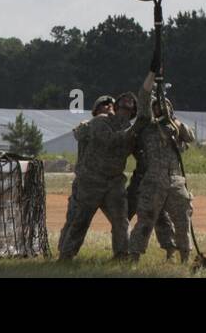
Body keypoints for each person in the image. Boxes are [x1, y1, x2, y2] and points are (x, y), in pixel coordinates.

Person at [57, 73, 153, 260]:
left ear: (134, 111)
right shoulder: (100, 122)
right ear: (116, 107)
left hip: (114, 182)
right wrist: (134, 131)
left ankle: (121, 255)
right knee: (80, 220)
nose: (127, 101)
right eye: (123, 100)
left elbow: (140, 153)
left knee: (121, 221)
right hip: (90, 180)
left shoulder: (133, 132)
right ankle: (66, 255)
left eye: (131, 101)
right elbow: (110, 140)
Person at [127, 87, 195, 262]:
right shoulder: (148, 128)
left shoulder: (176, 128)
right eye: (157, 107)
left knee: (182, 220)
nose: (160, 109)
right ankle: (134, 255)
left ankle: (184, 256)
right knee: (145, 220)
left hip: (175, 181)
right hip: (152, 180)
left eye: (164, 106)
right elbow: (142, 109)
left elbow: (190, 138)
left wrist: (175, 122)